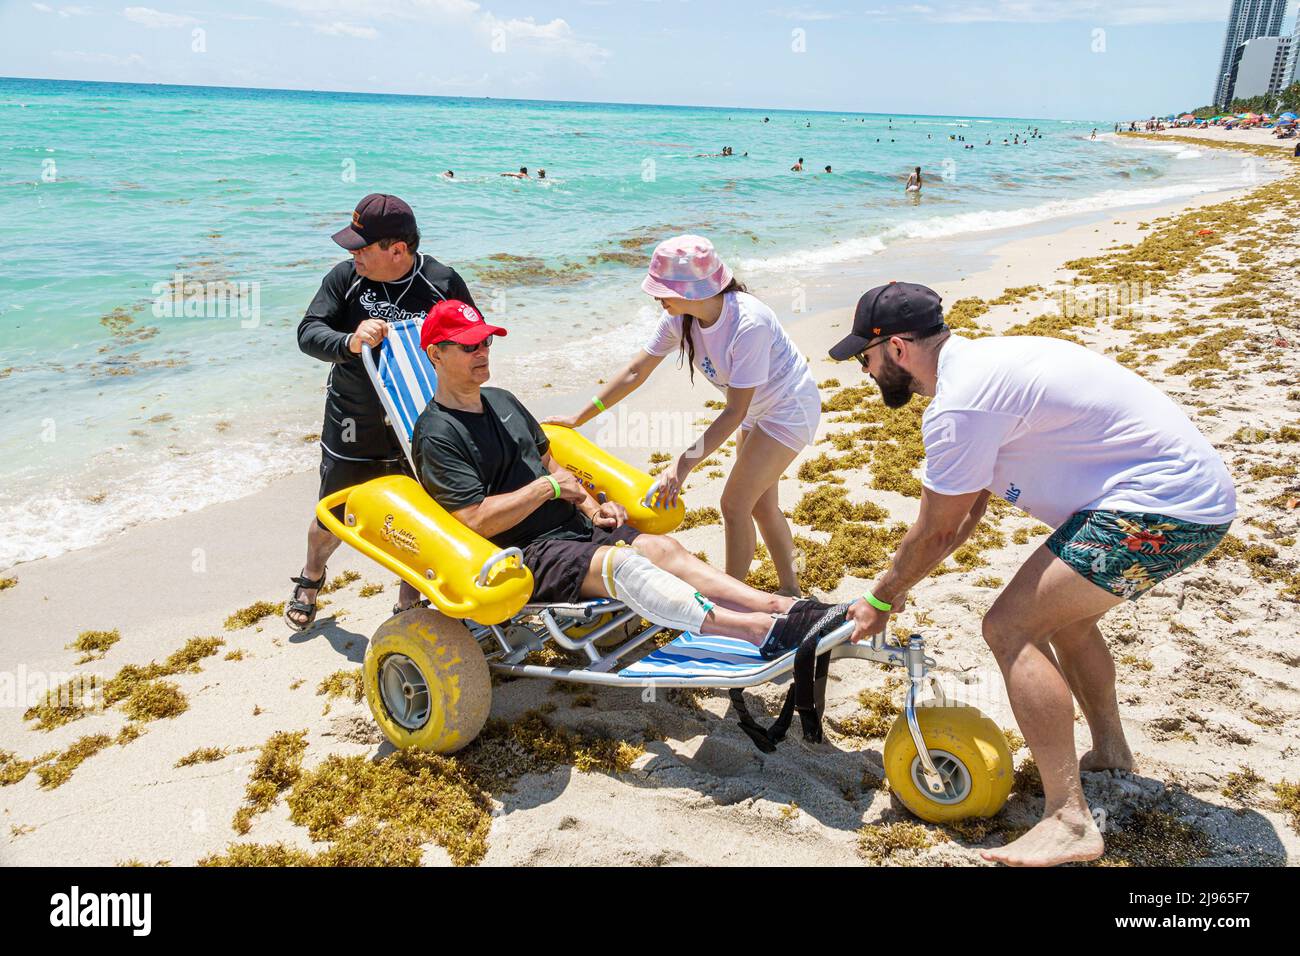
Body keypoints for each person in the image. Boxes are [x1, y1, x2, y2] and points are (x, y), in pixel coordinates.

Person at [828, 282, 1236, 866]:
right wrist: (892, 589)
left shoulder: (961, 405)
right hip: (1190, 501)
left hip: (1160, 508)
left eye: (863, 358)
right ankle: (1111, 751)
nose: (864, 372)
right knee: (1064, 621)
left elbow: (937, 532)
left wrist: (881, 599)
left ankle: (1069, 821)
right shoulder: (985, 367)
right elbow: (964, 514)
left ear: (896, 348)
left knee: (1008, 627)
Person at [411, 299, 846, 657]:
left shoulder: (503, 400)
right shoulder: (438, 434)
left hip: (573, 528)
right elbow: (474, 521)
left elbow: (552, 466)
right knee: (629, 567)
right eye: (468, 347)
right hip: (524, 553)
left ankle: (784, 606)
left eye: (485, 342)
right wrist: (547, 489)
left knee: (662, 548)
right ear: (436, 354)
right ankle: (755, 630)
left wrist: (593, 506)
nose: (482, 353)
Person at [546, 236, 821, 599]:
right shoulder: (681, 318)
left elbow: (734, 411)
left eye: (663, 289)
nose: (656, 297)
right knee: (760, 504)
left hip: (788, 408)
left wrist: (682, 465)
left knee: (735, 503)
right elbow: (635, 371)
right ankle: (790, 588)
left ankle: (730, 597)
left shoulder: (747, 323)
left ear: (693, 290)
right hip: (756, 410)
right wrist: (579, 416)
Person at [289, 194, 478, 630]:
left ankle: (409, 605)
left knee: (424, 514)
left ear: (398, 249)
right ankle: (312, 576)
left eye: (361, 247)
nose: (352, 254)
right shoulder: (344, 279)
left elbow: (474, 340)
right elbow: (308, 332)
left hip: (422, 420)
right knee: (333, 512)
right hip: (354, 419)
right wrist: (350, 341)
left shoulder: (441, 282)